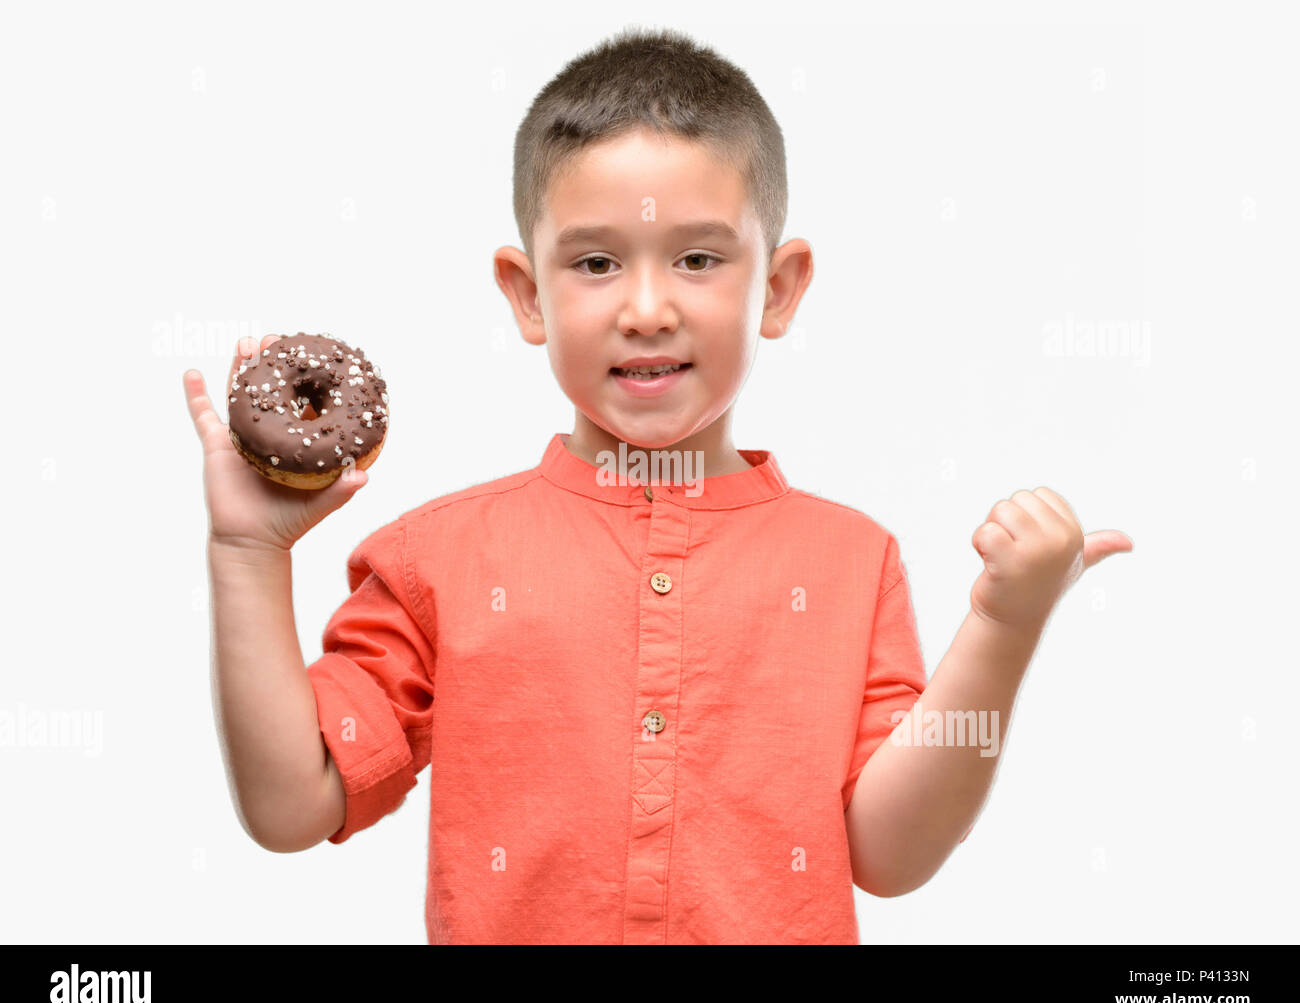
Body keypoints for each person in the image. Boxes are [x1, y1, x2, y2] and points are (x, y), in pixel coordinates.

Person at [182, 27, 1132, 944]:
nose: (646, 309)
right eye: (596, 264)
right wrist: (247, 552)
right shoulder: (438, 559)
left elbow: (892, 852)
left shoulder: (851, 561)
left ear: (778, 288)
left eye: (699, 258)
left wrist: (1004, 628)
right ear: (526, 295)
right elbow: (290, 802)